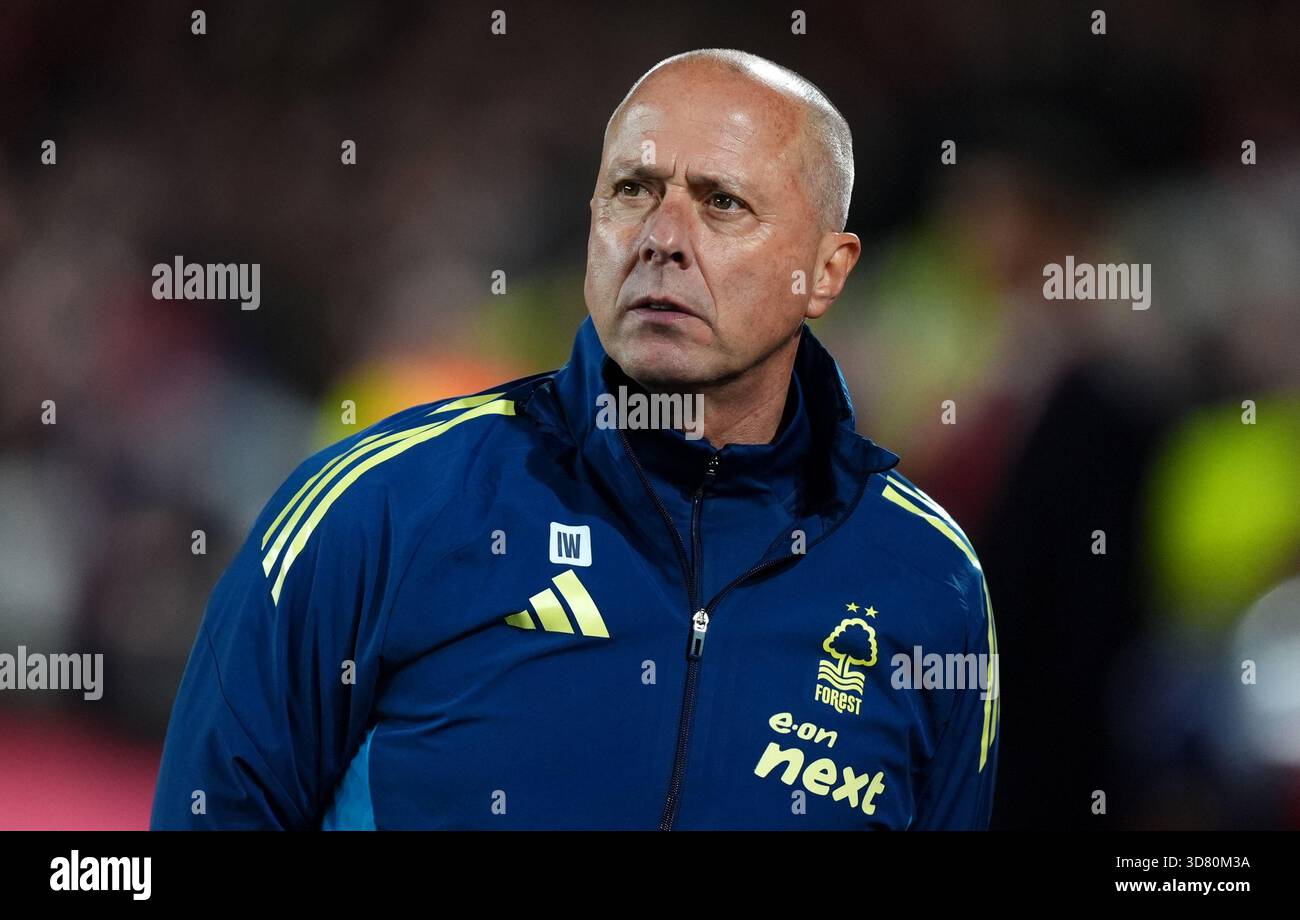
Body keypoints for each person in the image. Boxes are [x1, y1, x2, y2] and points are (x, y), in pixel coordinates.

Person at [151, 48, 999, 830]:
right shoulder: (385, 506)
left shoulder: (931, 585)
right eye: (633, 190)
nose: (662, 240)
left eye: (722, 202)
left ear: (827, 270)